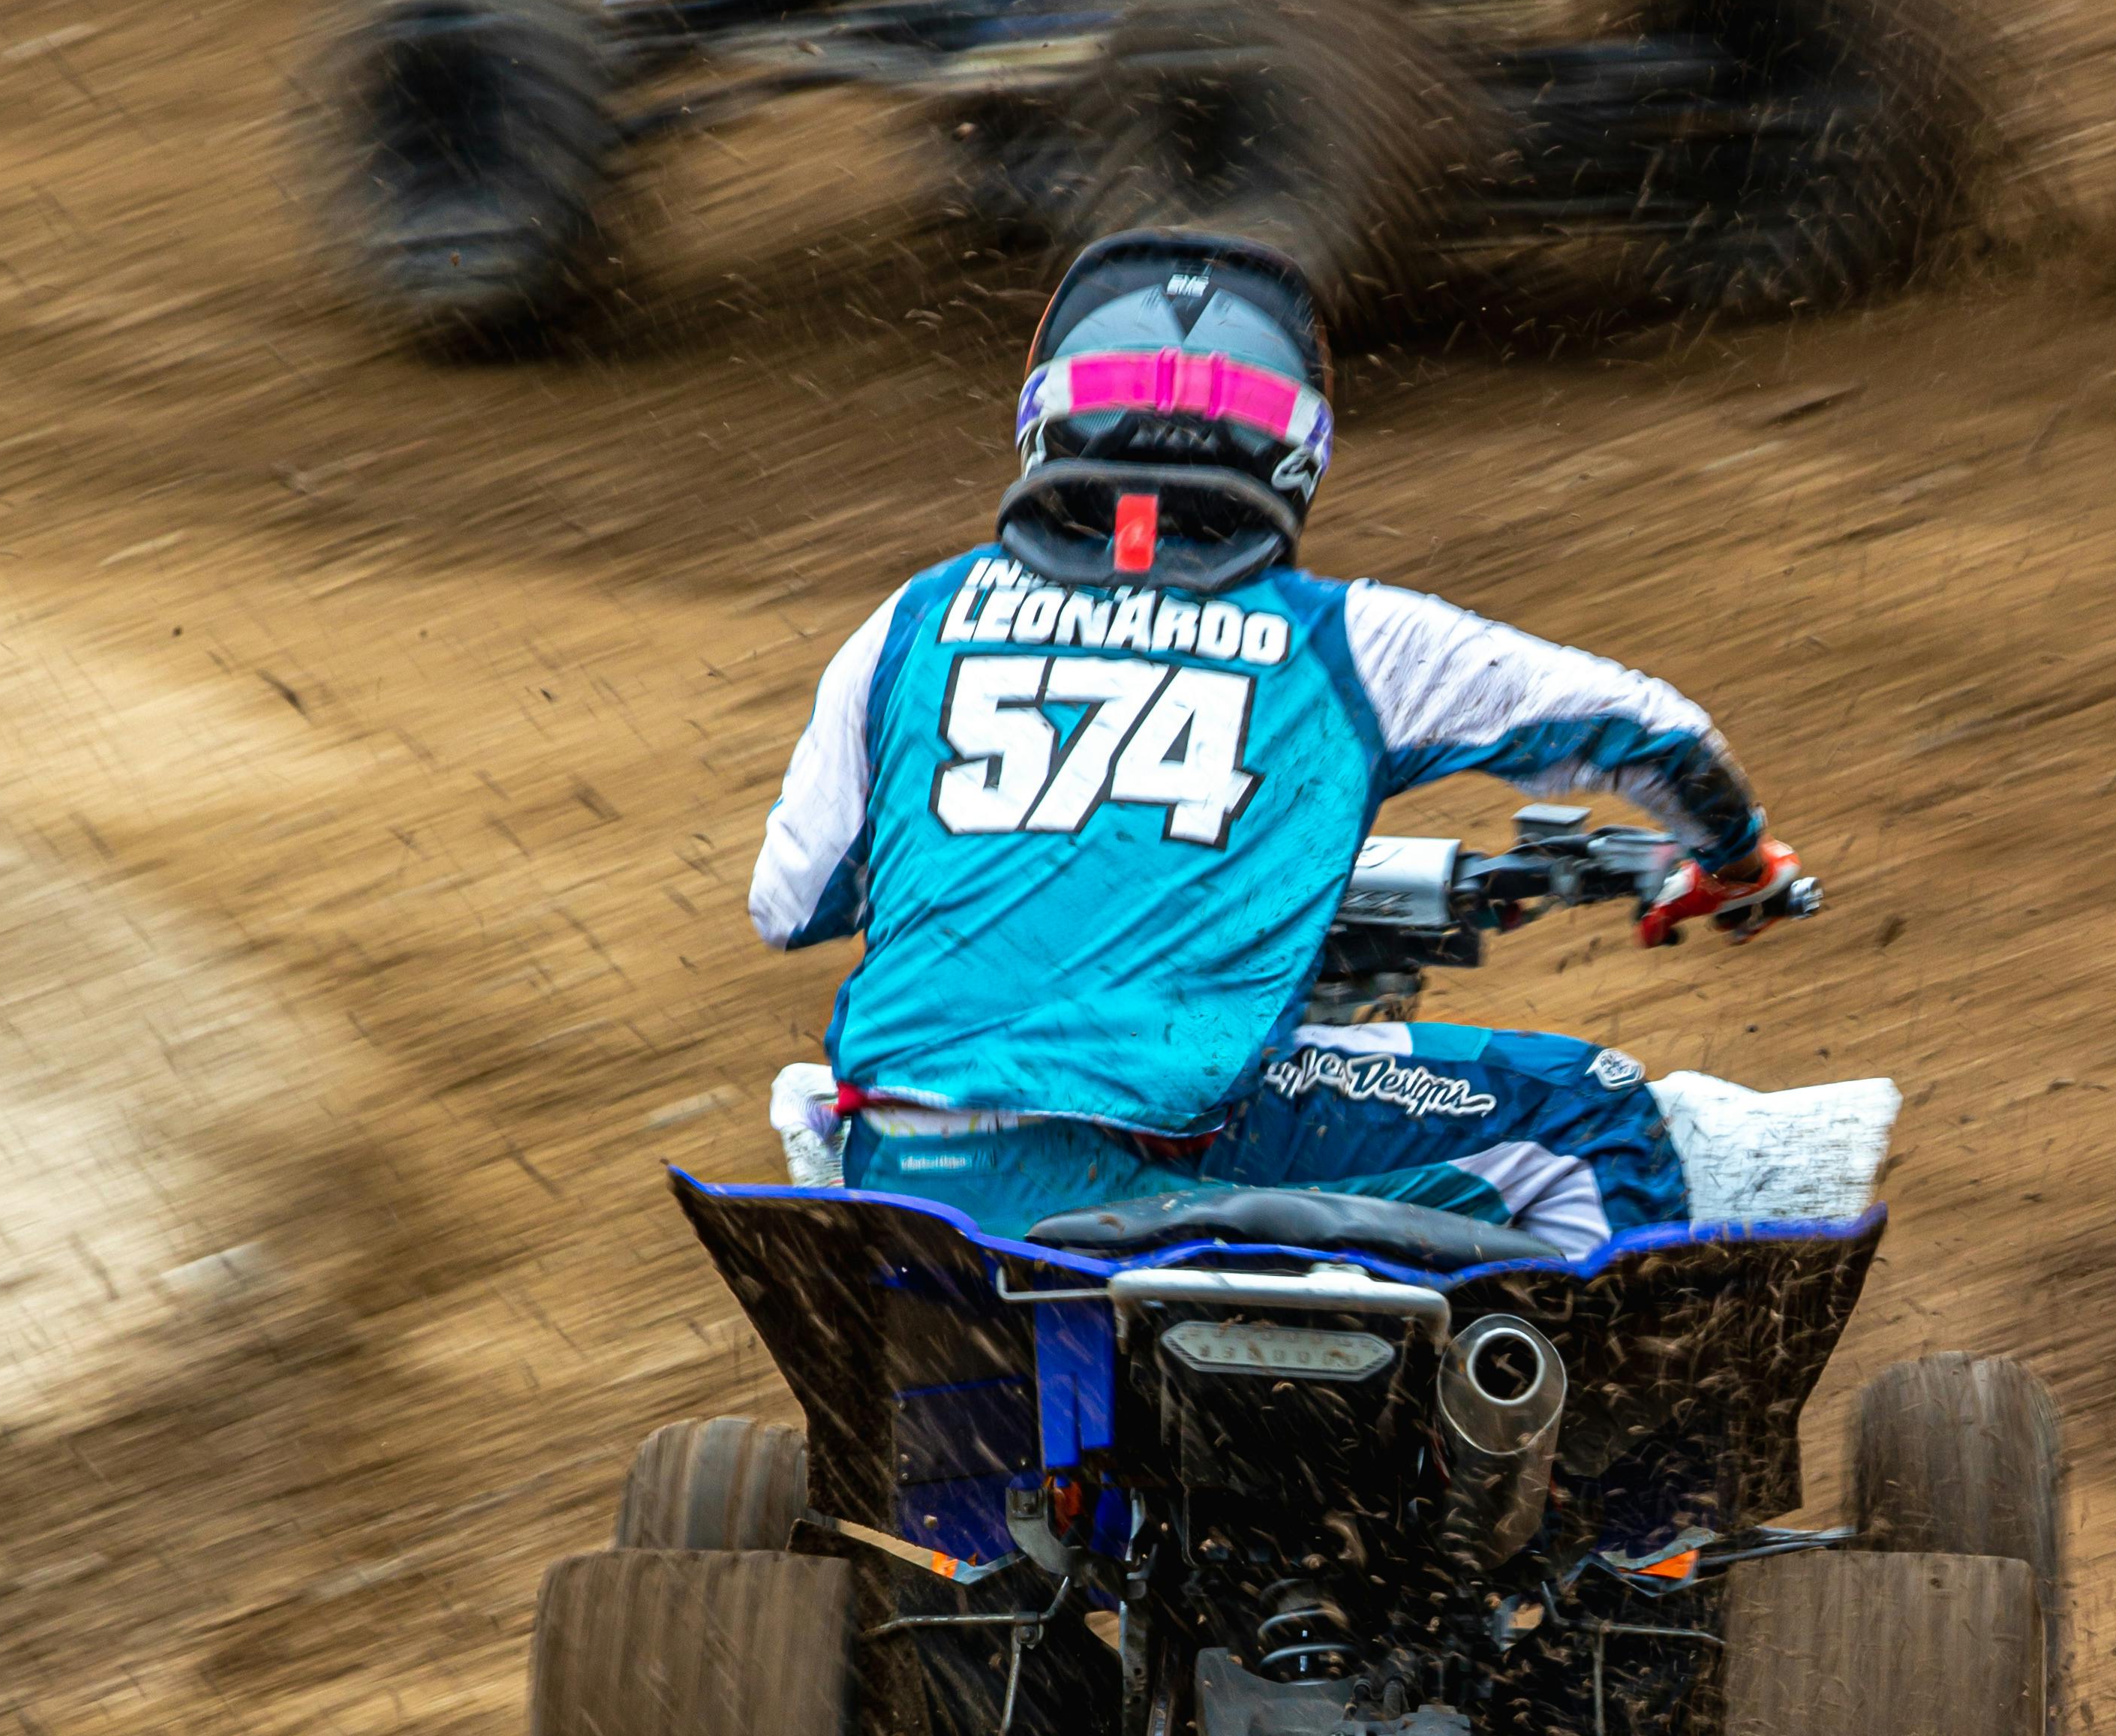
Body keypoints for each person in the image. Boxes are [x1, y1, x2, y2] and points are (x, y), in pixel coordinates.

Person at [750, 233, 1816, 1256]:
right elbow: (1654, 730)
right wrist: (1736, 862)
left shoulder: (913, 621)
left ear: (1047, 420)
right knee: (1600, 1115)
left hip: (910, 1168)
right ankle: (1612, 1437)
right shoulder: (1352, 639)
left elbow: (790, 903)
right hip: (1166, 1149)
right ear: (1293, 445)